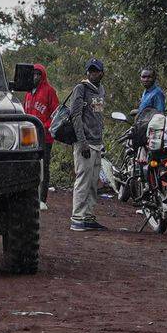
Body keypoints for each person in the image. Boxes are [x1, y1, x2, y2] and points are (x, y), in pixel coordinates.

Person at [68, 58, 106, 231]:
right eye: (90, 71)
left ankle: (88, 216)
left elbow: (98, 117)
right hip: (85, 143)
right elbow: (75, 116)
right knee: (83, 180)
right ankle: (77, 218)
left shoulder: (100, 90)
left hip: (97, 143)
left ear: (101, 73)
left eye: (96, 71)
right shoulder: (80, 89)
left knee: (93, 182)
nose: (92, 73)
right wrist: (82, 142)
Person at [23, 63, 59, 212]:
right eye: (33, 74)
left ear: (42, 76)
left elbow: (56, 113)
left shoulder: (49, 91)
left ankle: (42, 199)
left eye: (38, 74)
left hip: (45, 136)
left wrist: (45, 126)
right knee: (29, 165)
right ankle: (28, 198)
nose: (35, 77)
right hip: (29, 136)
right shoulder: (28, 93)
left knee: (43, 166)